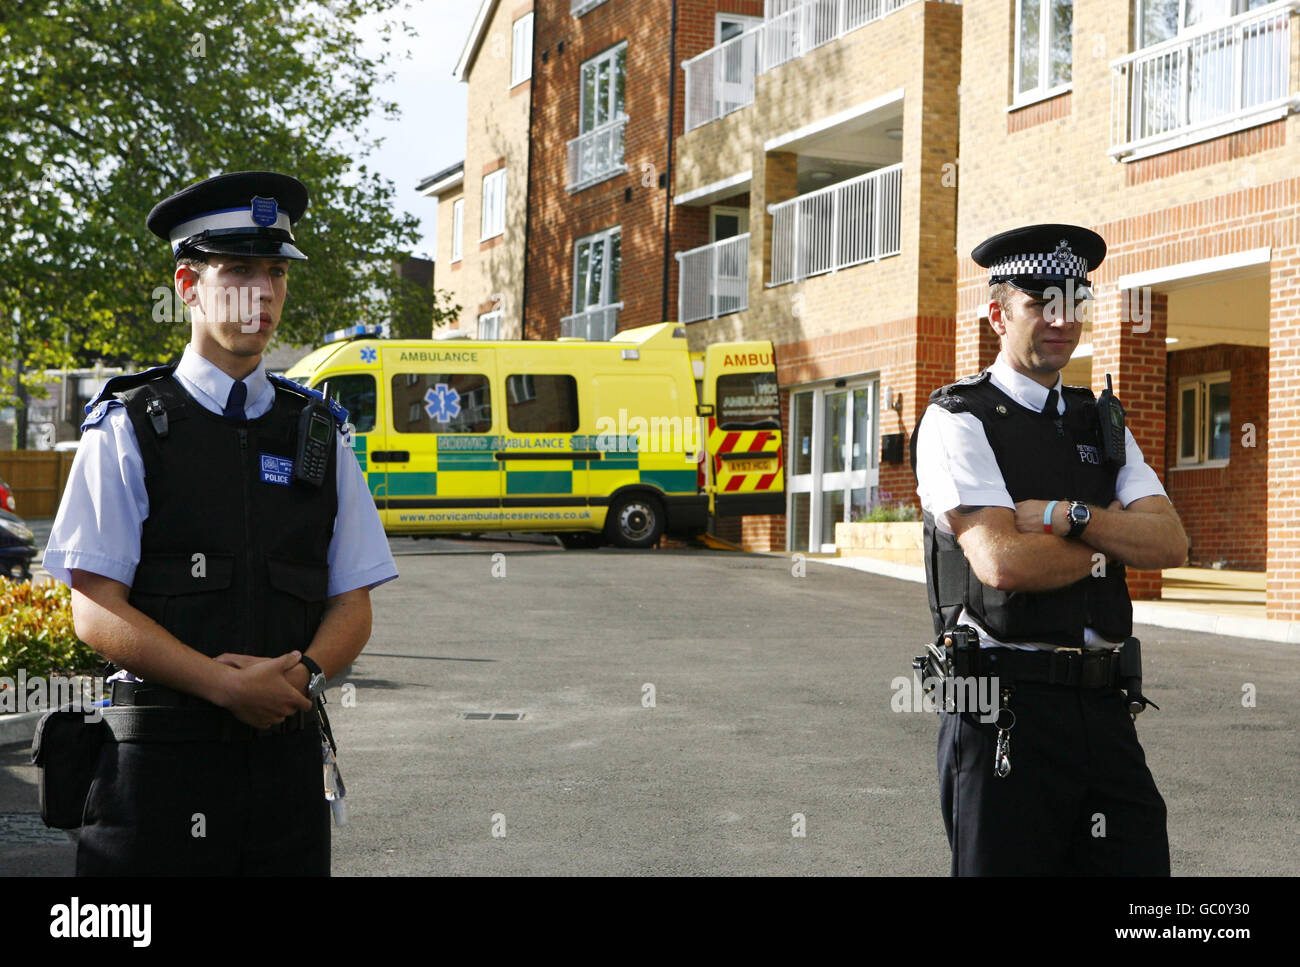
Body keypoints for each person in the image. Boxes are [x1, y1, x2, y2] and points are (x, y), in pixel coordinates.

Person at [43, 170, 398, 875]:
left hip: (283, 778)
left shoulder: (319, 435)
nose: (263, 293)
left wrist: (305, 670)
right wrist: (222, 683)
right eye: (238, 269)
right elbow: (93, 607)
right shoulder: (129, 427)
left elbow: (352, 602)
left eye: (275, 272)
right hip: (155, 779)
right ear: (187, 286)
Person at [910, 223, 1187, 876]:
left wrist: (1070, 516)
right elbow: (1003, 563)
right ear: (997, 311)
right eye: (1041, 301)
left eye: (1075, 300)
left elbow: (1171, 540)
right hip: (1007, 713)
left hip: (1104, 710)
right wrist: (1116, 538)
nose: (1063, 318)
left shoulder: (1102, 421)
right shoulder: (959, 419)